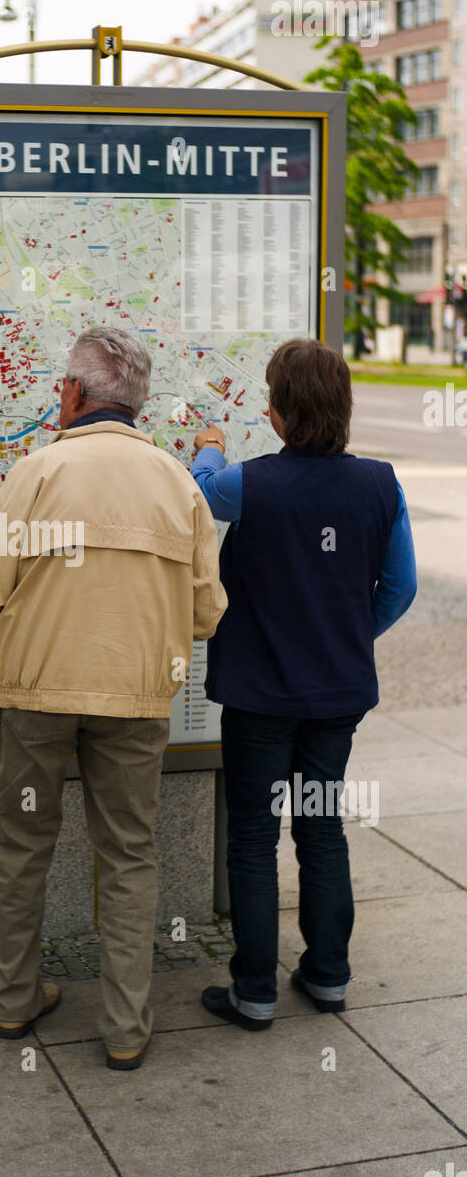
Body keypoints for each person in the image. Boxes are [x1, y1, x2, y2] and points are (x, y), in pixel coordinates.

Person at [0, 327, 227, 1070]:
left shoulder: (37, 471)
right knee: (131, 854)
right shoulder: (179, 483)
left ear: (73, 394)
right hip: (136, 699)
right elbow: (207, 614)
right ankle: (125, 1027)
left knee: (19, 849)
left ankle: (14, 1003)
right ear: (138, 401)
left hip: (37, 695)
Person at [190, 338, 417, 1031]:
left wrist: (206, 445)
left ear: (280, 415)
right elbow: (400, 588)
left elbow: (196, 495)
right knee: (322, 831)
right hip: (334, 702)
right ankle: (326, 976)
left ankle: (253, 991)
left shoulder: (248, 482)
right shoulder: (381, 483)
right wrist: (343, 640)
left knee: (254, 838)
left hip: (258, 700)